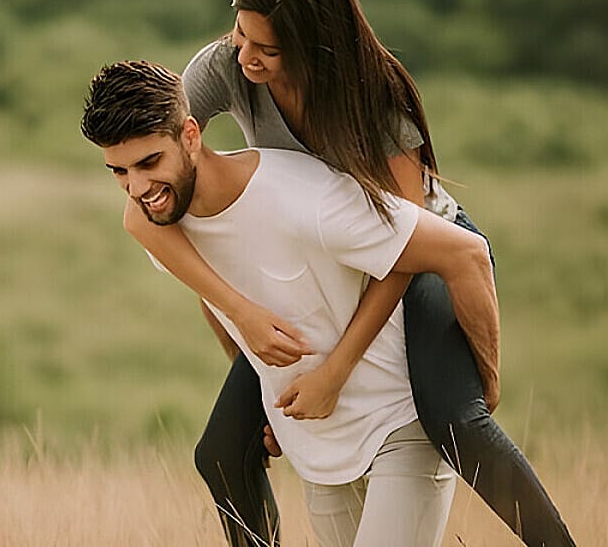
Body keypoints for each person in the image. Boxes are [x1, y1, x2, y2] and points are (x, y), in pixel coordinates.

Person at [125, 0, 575, 546]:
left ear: (312, 47)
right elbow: (165, 173)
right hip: (329, 252)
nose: (246, 56)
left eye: (268, 48)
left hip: (420, 255)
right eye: (240, 34)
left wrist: (336, 371)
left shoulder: (376, 103)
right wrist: (254, 353)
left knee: (453, 417)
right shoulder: (227, 66)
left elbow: (400, 250)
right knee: (221, 450)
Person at [81, 59, 506, 546]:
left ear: (191, 135)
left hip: (397, 420)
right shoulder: (174, 219)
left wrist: (484, 385)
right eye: (118, 172)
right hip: (322, 444)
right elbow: (212, 298)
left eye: (148, 163)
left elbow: (463, 251)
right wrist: (267, 389)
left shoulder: (302, 196)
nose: (135, 189)